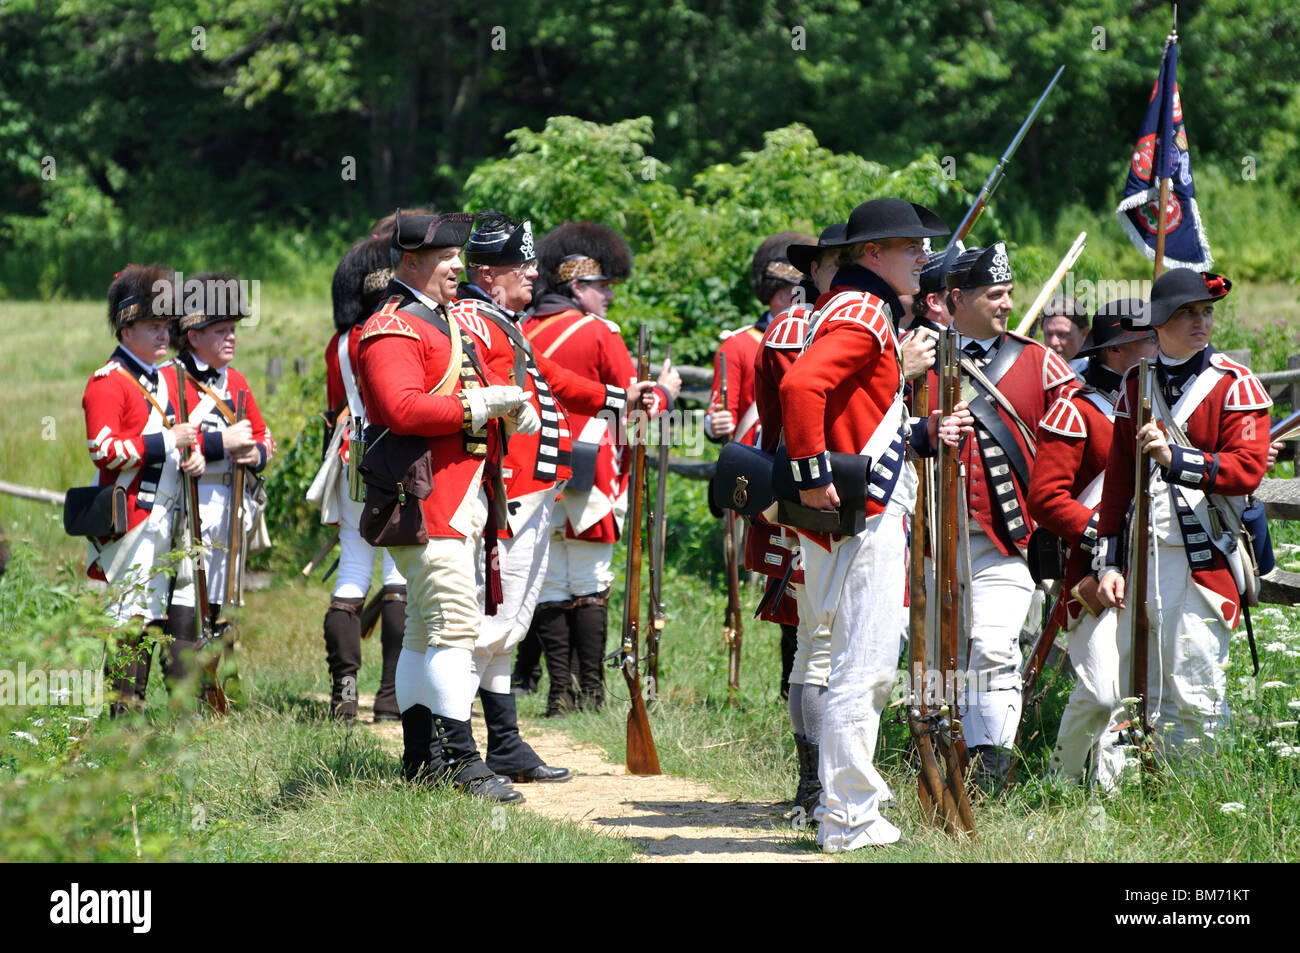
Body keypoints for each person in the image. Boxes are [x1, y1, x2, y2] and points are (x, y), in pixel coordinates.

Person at [779, 198, 960, 850]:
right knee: (866, 663)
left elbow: (862, 413)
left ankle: (844, 806)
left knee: (855, 661)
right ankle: (848, 814)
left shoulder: (859, 311)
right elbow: (802, 390)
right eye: (910, 245)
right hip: (864, 513)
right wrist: (813, 473)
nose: (922, 256)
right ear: (872, 253)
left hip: (863, 507)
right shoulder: (861, 314)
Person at [358, 209, 530, 803]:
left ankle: (420, 759)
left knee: (423, 635)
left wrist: (503, 408)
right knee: (454, 630)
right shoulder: (392, 328)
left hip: (459, 496)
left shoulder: (438, 319)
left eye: (458, 256)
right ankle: (462, 761)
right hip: (428, 500)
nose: (459, 265)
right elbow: (403, 410)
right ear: (411, 263)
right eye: (445, 258)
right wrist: (481, 405)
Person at [1095, 269, 1271, 755]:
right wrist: (1110, 561)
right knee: (1143, 685)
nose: (1201, 322)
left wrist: (1178, 460)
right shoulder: (1137, 381)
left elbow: (1247, 470)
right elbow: (1118, 480)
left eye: (1206, 312)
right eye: (1187, 313)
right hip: (1142, 553)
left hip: (1202, 555)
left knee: (1195, 686)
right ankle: (1152, 795)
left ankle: (1199, 797)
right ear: (1159, 324)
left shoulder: (1235, 384)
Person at [520, 222, 678, 716]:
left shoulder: (523, 328)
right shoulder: (600, 333)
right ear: (576, 287)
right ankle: (591, 692)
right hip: (593, 469)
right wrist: (667, 392)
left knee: (549, 581)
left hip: (537, 469)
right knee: (589, 581)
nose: (609, 296)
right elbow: (635, 409)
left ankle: (557, 693)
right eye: (602, 286)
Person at [943, 242, 1077, 789]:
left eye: (1008, 295)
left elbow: (1083, 440)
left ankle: (987, 774)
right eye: (994, 295)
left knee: (995, 647)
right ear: (957, 298)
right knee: (946, 656)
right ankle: (943, 756)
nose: (1006, 304)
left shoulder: (1040, 363)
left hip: (1009, 542)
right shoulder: (921, 360)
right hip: (934, 540)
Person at [1027, 300, 1156, 789]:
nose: (1158, 348)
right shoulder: (1074, 410)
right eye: (1150, 340)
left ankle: (1106, 795)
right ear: (1121, 349)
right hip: (1091, 571)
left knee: (1127, 692)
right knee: (1103, 691)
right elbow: (1046, 498)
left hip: (1153, 565)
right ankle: (1059, 779)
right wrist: (1108, 535)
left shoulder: (1156, 404)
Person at [84, 265, 203, 712]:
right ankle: (123, 716)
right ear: (126, 328)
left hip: (168, 519)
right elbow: (105, 449)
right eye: (154, 327)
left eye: (167, 327)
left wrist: (187, 456)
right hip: (130, 520)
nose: (164, 336)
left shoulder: (168, 376)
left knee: (153, 615)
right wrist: (167, 442)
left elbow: (177, 438)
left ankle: (135, 711)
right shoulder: (107, 381)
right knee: (128, 619)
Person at [755, 224, 841, 814]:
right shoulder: (800, 329)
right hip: (822, 495)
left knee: (831, 644)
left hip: (840, 495)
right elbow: (783, 421)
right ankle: (819, 786)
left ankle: (826, 784)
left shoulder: (800, 327)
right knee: (821, 643)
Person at [316, 235, 407, 721]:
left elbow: (334, 409)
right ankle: (390, 697)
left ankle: (344, 696)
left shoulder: (341, 343)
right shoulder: (397, 331)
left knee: (352, 573)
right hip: (394, 458)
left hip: (350, 456)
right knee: (396, 576)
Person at [168, 273, 274, 652]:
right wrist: (218, 443)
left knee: (222, 594)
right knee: (185, 592)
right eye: (220, 331)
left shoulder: (238, 381)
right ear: (194, 337)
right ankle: (184, 682)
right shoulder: (170, 379)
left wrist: (255, 454)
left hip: (230, 504)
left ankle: (217, 686)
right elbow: (167, 438)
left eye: (233, 330)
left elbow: (264, 437)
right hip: (189, 501)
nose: (231, 337)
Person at [1040, 295, 1090, 377]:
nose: (1053, 342)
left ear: (1084, 333)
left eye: (1062, 334)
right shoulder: (1036, 373)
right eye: (1048, 334)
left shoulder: (1095, 378)